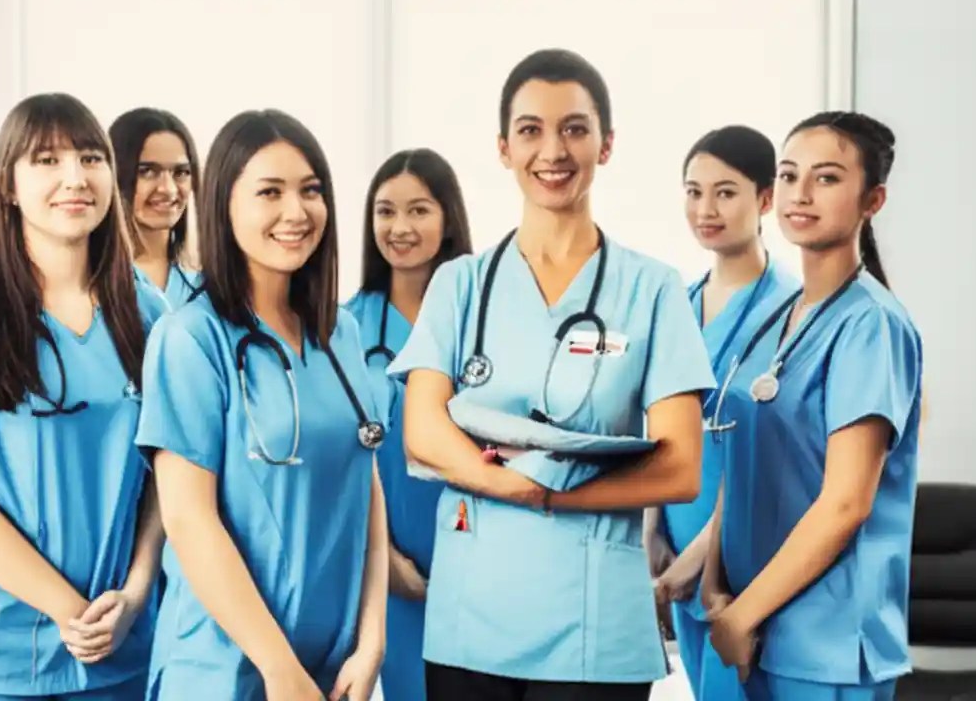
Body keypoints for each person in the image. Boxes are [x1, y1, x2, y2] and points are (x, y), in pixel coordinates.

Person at [390, 48, 714, 701]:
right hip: (469, 619)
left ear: (607, 143)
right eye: (532, 130)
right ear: (504, 147)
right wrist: (517, 489)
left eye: (575, 128)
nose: (553, 150)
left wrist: (550, 497)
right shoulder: (461, 284)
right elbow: (422, 432)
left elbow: (681, 470)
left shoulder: (652, 289)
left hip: (593, 623)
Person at [0, 93, 168, 699]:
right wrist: (74, 612)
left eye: (91, 158)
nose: (75, 178)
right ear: (8, 186)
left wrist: (138, 593)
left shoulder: (151, 317)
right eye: (46, 160)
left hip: (117, 655)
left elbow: (166, 483)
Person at [137, 109, 389, 701]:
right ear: (224, 205)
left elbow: (365, 484)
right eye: (269, 193)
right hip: (227, 669)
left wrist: (372, 636)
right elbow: (188, 518)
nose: (296, 213)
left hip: (336, 665)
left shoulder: (340, 333)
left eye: (311, 191)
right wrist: (279, 669)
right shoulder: (191, 339)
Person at [703, 112, 922, 701]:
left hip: (825, 642)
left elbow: (846, 504)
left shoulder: (870, 324)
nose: (800, 193)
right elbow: (738, 460)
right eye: (790, 174)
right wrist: (712, 586)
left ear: (872, 199)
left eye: (826, 178)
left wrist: (740, 615)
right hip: (750, 623)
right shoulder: (778, 314)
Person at [643, 125, 797, 701]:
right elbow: (659, 425)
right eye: (693, 191)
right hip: (675, 552)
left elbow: (771, 451)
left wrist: (700, 555)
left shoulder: (791, 308)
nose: (705, 209)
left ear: (764, 200)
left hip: (745, 558)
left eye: (725, 192)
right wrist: (653, 530)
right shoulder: (678, 305)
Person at [343, 147, 474, 701]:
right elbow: (338, 461)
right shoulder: (343, 326)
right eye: (385, 211)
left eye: (419, 210)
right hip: (388, 570)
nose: (400, 227)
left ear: (447, 219)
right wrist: (386, 562)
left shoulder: (479, 317)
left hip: (478, 564)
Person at [108, 107, 201, 309]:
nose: (168, 189)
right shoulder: (92, 280)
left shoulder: (207, 278)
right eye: (147, 171)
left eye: (181, 172)